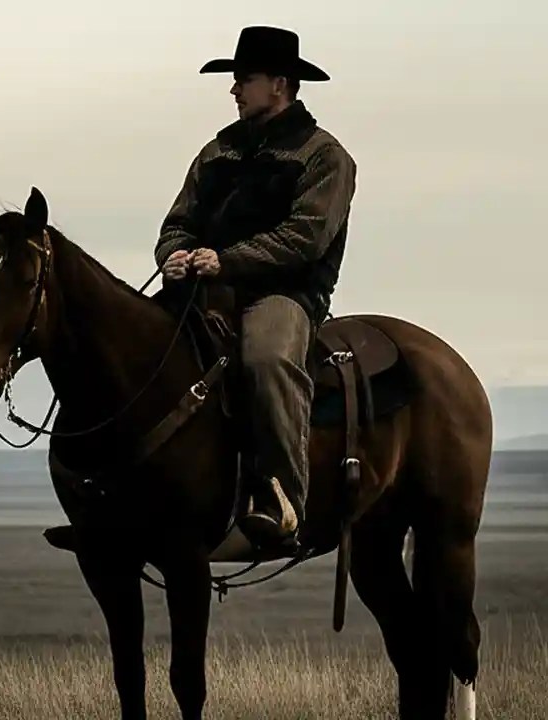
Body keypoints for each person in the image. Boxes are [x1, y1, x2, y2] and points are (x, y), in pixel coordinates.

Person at [155, 25, 357, 549]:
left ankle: (283, 502)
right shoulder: (216, 152)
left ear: (280, 84)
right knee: (140, 345)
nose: (234, 89)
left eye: (244, 79)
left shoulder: (324, 157)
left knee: (268, 357)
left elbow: (304, 238)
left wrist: (226, 261)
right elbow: (179, 221)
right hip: (205, 288)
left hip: (284, 294)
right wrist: (174, 256)